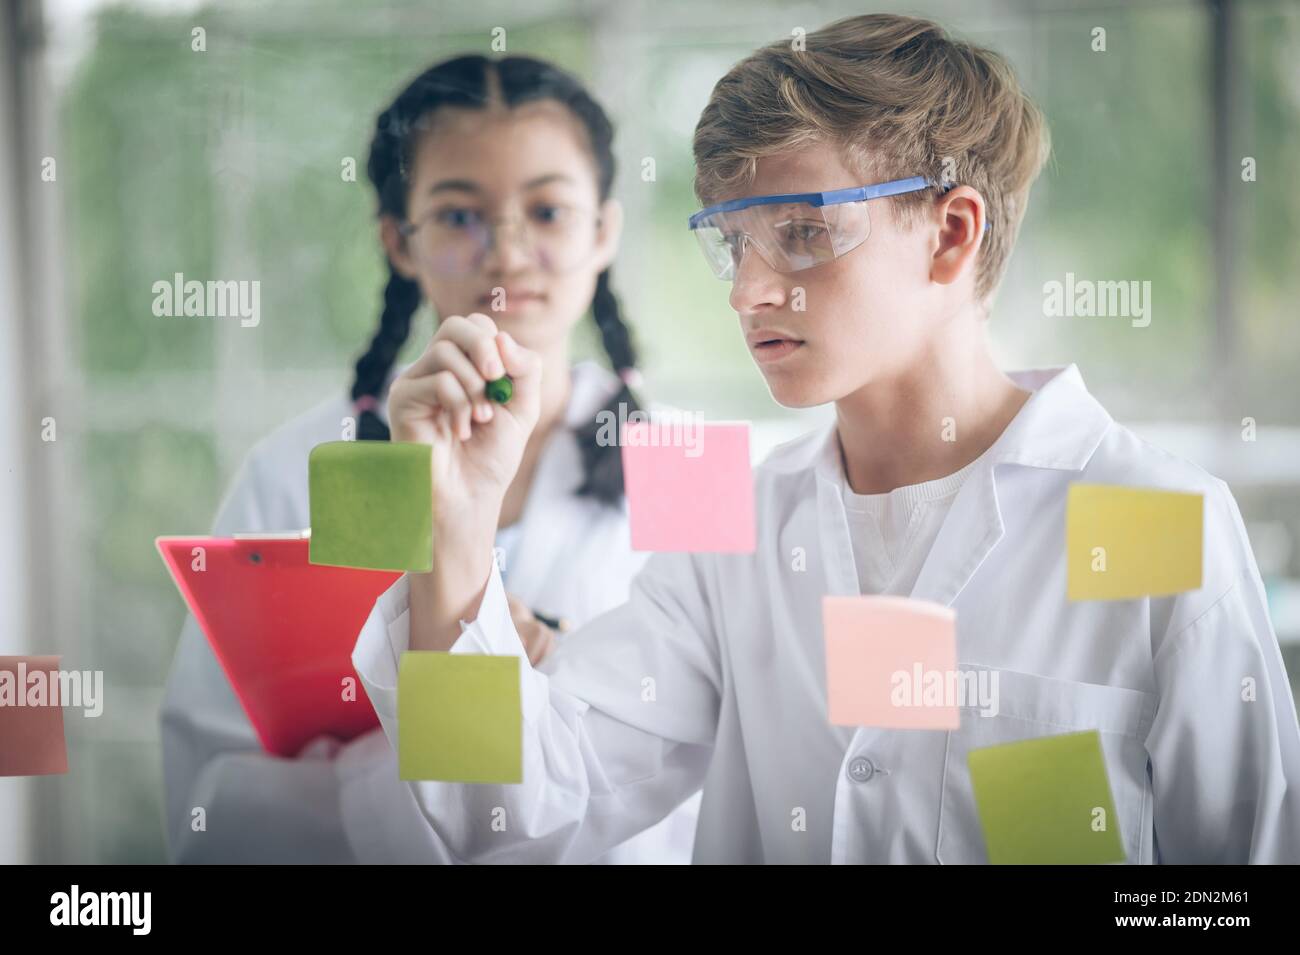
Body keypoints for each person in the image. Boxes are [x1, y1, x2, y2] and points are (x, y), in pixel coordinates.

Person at [351, 14, 1300, 863]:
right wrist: (459, 528)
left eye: (803, 232)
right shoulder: (738, 529)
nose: (746, 290)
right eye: (732, 241)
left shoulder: (1154, 523)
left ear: (950, 234)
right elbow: (501, 814)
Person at [160, 53, 700, 863]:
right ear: (397, 241)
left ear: (604, 231)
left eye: (548, 210)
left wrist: (496, 692)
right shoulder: (299, 467)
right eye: (458, 215)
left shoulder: (693, 465)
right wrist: (456, 695)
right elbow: (213, 795)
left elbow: (714, 771)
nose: (508, 251)